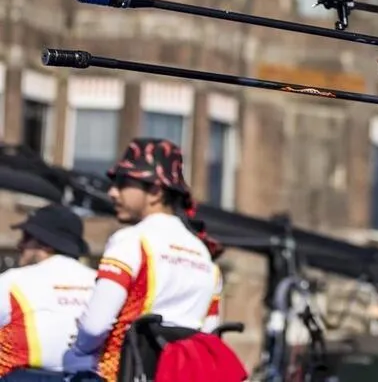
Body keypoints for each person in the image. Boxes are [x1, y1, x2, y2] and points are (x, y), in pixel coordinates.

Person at [62, 138, 224, 382]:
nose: (112, 192)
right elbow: (210, 335)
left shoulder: (131, 241)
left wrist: (77, 351)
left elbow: (94, 326)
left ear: (156, 192)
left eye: (123, 183)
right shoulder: (206, 257)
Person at [0, 204, 96, 380]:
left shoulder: (13, 280)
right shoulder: (99, 281)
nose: (20, 244)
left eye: (26, 237)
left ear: (46, 243)